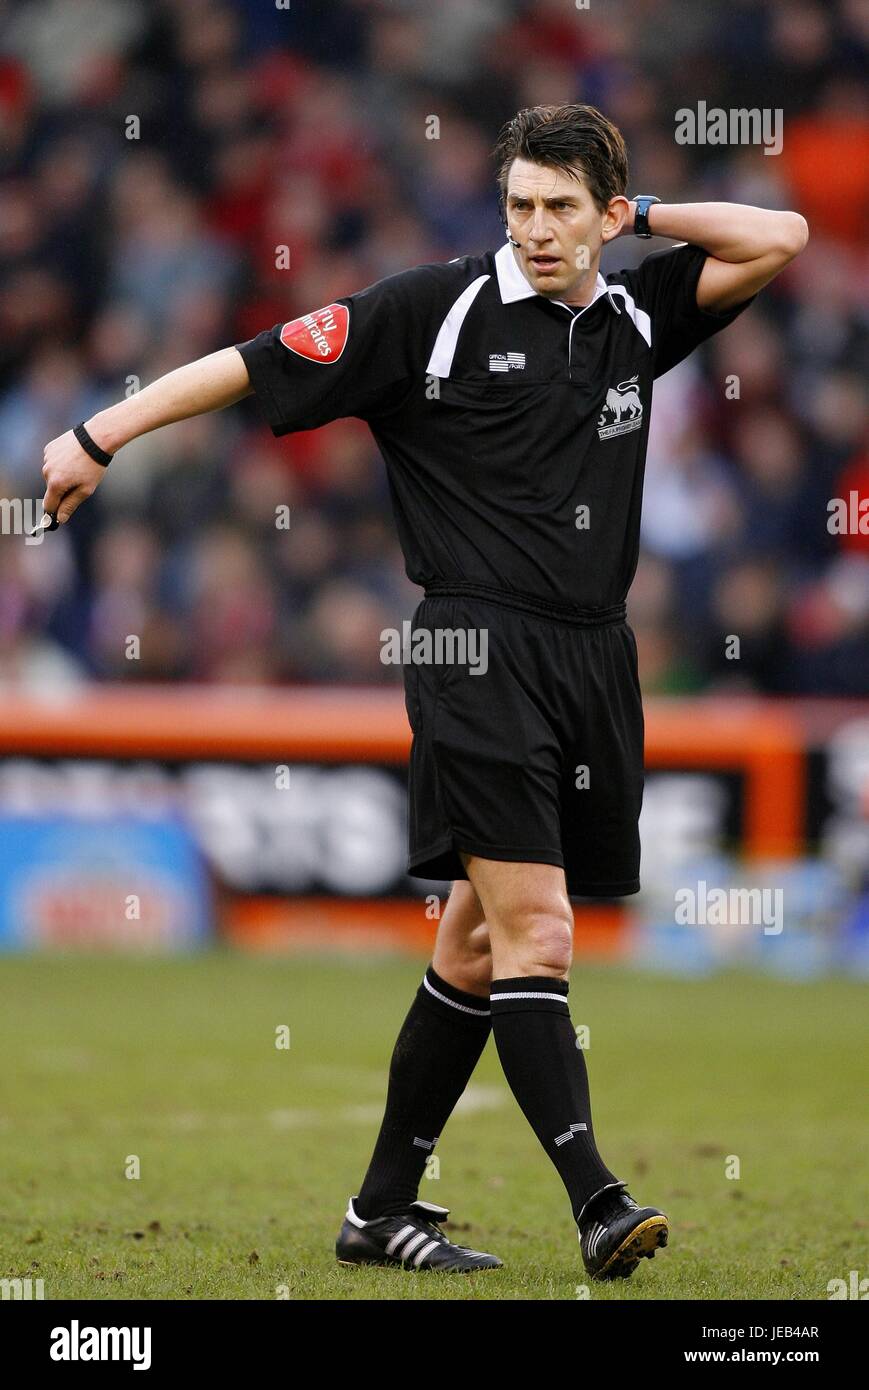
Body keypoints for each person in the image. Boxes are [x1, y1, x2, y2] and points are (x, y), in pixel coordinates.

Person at [40, 104, 808, 1280]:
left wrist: (640, 216)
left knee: (469, 952)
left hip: (595, 659)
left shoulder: (632, 314)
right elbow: (250, 365)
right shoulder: (427, 310)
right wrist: (101, 431)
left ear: (603, 215)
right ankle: (598, 1202)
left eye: (562, 208)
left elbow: (778, 234)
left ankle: (376, 1211)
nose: (538, 230)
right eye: (518, 205)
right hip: (473, 651)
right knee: (538, 931)